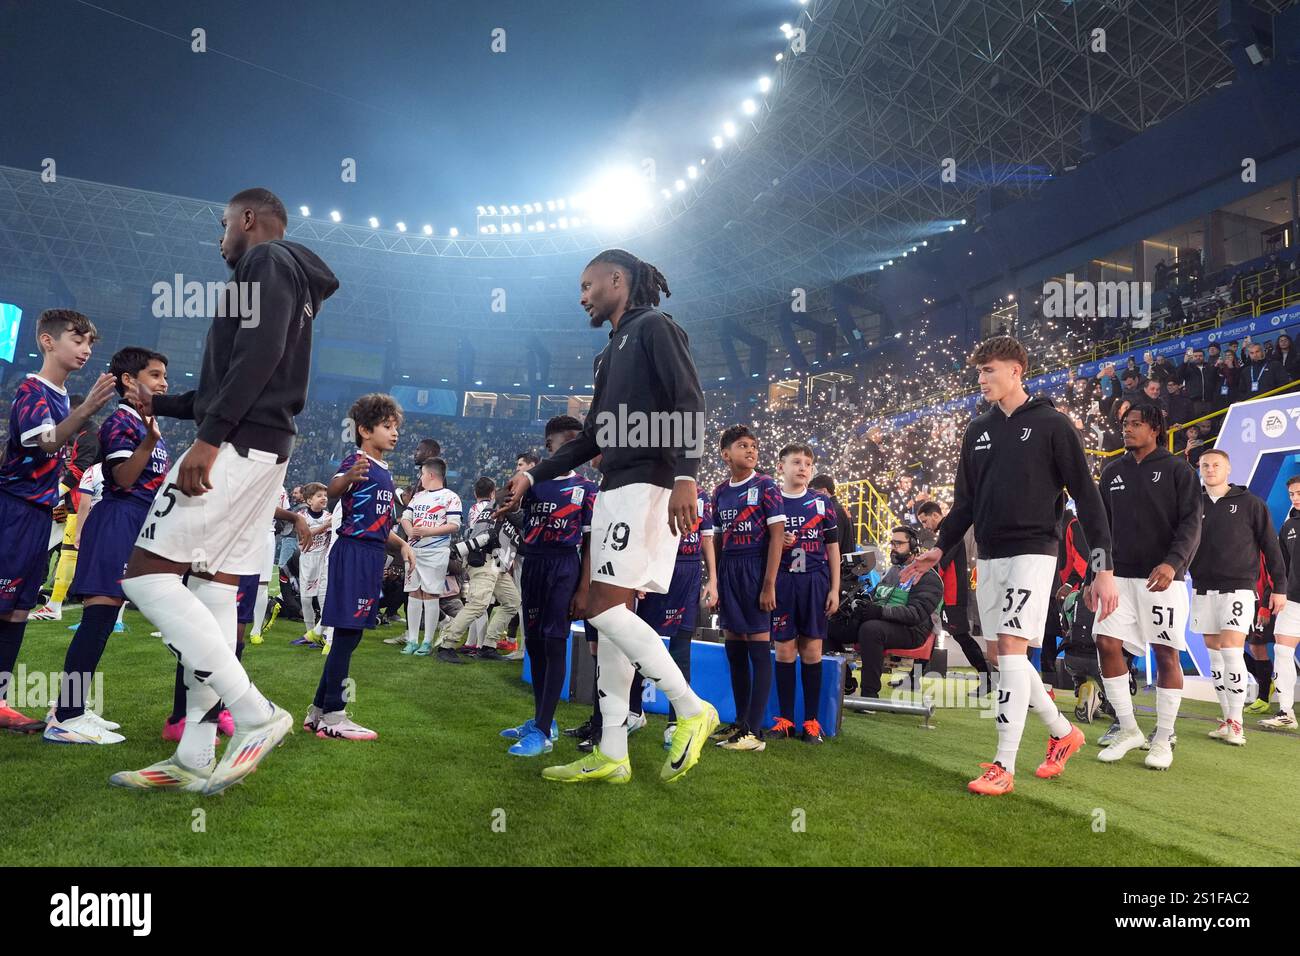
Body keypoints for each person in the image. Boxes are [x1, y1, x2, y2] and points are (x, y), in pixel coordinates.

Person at [111, 188, 337, 793]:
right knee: (212, 592)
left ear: (248, 219)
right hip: (263, 448)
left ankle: (258, 714)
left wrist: (208, 439)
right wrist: (164, 403)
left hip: (234, 446)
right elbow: (236, 379)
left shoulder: (265, 261)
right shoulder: (290, 275)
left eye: (222, 225)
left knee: (146, 575)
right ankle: (193, 751)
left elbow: (257, 359)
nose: (220, 239)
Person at [501, 247, 718, 784]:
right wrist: (536, 474)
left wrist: (686, 475)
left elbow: (689, 401)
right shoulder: (610, 352)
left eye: (587, 285)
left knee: (598, 608)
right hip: (617, 486)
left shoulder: (655, 329)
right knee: (612, 621)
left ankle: (691, 709)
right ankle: (613, 750)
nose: (581, 297)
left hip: (650, 484)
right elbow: (593, 438)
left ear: (616, 281)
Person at [906, 335, 1117, 797]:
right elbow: (964, 504)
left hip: (1034, 551)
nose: (981, 379)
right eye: (979, 371)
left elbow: (1087, 495)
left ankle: (1003, 766)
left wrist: (1102, 566)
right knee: (1004, 658)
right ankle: (1063, 731)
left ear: (1016, 371)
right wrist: (939, 548)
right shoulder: (976, 429)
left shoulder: (1053, 425)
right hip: (991, 552)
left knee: (1011, 650)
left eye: (989, 370)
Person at [45, 349, 171, 744]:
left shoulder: (144, 422)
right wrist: (149, 445)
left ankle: (72, 707)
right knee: (99, 620)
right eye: (155, 374)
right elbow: (125, 478)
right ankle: (66, 716)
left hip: (135, 523)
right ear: (129, 381)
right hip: (118, 519)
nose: (164, 382)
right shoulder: (121, 422)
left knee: (105, 619)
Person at [0, 310, 117, 733]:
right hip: (13, 511)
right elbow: (46, 441)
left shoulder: (61, 396)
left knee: (16, 613)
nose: (85, 349)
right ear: (48, 341)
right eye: (77, 339)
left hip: (37, 514)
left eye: (90, 343)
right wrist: (87, 409)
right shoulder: (33, 391)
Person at [1092, 405, 1202, 770]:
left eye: (1136, 424)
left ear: (1155, 429)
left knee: (1165, 653)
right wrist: (1097, 572)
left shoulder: (1178, 470)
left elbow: (1191, 524)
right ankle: (1127, 728)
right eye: (1125, 424)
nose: (1127, 430)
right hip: (1118, 577)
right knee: (1106, 643)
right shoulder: (1112, 472)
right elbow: (1099, 526)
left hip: (1162, 579)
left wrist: (1174, 563)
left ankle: (1163, 736)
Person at [305, 393, 415, 741]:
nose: (394, 433)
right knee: (347, 635)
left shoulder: (385, 471)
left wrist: (402, 546)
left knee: (349, 638)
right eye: (387, 426)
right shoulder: (358, 461)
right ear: (365, 430)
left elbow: (382, 526)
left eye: (396, 427)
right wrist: (347, 476)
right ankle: (335, 716)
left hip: (370, 553)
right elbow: (335, 488)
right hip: (353, 554)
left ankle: (319, 711)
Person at [499, 416, 598, 756]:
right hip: (534, 564)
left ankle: (541, 732)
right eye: (564, 441)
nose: (572, 447)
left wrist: (584, 589)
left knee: (555, 642)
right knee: (537, 644)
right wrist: (514, 487)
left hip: (563, 566)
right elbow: (503, 500)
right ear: (549, 447)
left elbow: (591, 544)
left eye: (577, 440)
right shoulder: (535, 484)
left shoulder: (587, 488)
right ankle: (546, 720)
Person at [1188, 449, 1286, 746]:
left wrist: (1279, 586)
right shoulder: (1193, 504)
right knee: (1215, 653)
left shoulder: (1251, 504)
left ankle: (1238, 722)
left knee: (1231, 650)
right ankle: (1226, 717)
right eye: (1205, 465)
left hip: (1239, 587)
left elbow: (1271, 546)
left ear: (1228, 469)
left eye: (1216, 464)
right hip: (1203, 587)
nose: (1210, 469)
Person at [709, 425, 785, 753]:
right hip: (730, 570)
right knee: (734, 646)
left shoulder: (766, 485)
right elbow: (716, 538)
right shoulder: (720, 491)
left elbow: (778, 537)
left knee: (757, 644)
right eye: (743, 446)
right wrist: (716, 580)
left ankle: (755, 732)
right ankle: (741, 723)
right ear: (726, 455)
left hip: (755, 568)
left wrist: (768, 584)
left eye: (754, 445)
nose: (751, 450)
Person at [766, 443, 840, 744]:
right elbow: (762, 546)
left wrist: (835, 588)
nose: (803, 468)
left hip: (814, 582)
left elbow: (833, 549)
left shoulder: (822, 504)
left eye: (808, 463)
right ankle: (785, 720)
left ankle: (811, 722)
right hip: (783, 581)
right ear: (781, 466)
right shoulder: (772, 503)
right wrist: (776, 542)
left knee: (812, 651)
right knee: (784, 650)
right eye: (796, 462)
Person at [854, 527, 943, 697]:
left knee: (871, 629)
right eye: (892, 543)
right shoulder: (891, 572)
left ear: (914, 546)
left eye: (899, 543)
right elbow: (876, 598)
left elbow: (915, 614)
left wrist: (879, 612)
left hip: (913, 630)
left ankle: (869, 696)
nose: (893, 547)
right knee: (835, 624)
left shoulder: (929, 577)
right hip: (886, 622)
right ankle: (840, 684)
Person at [915, 500, 989, 682]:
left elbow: (943, 563)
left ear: (935, 515)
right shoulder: (948, 531)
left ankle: (988, 678)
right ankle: (913, 678)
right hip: (946, 594)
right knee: (929, 633)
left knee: (962, 637)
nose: (925, 526)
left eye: (925, 521)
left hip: (952, 595)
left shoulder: (950, 531)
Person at [398, 458, 462, 657]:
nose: (421, 478)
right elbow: (405, 519)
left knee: (431, 595)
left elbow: (454, 525)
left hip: (436, 552)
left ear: (431, 475)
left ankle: (426, 642)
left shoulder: (450, 497)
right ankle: (412, 640)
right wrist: (411, 532)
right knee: (414, 593)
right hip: (414, 551)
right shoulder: (418, 496)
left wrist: (427, 531)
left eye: (422, 474)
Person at [1263, 475, 1300, 729]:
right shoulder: (1288, 527)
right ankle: (1286, 712)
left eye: (1299, 493)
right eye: (1292, 495)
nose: (1295, 498)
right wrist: (1273, 596)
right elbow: (1281, 567)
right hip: (1293, 600)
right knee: (1282, 650)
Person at [296, 482, 333, 645]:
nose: (323, 498)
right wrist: (325, 526)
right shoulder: (301, 516)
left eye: (325, 495)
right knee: (305, 599)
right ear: (309, 500)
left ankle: (323, 634)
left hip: (323, 560)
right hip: (307, 560)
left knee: (323, 598)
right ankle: (309, 632)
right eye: (319, 496)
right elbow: (305, 537)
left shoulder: (329, 515)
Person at [811, 473, 856, 554]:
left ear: (824, 491)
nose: (811, 498)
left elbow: (834, 545)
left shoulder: (833, 511)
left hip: (838, 564)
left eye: (813, 493)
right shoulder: (839, 508)